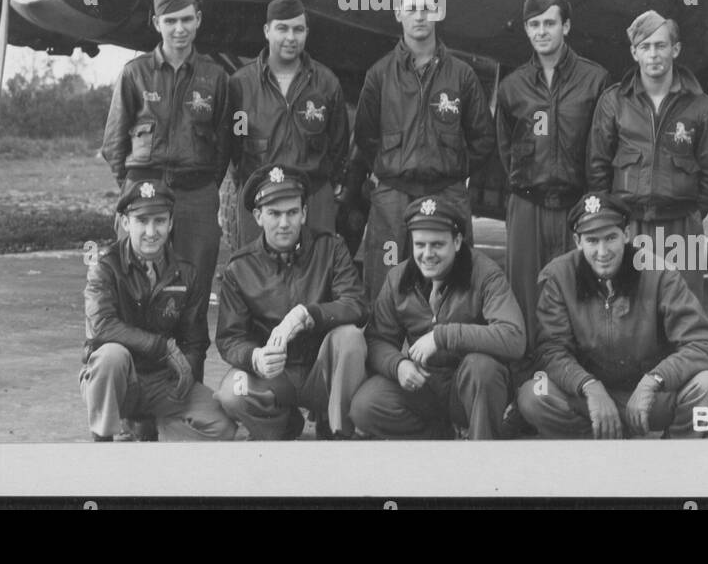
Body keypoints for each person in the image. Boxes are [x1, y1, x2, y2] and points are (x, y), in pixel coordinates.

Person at [516, 192, 708, 439]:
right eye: (592, 240)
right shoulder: (559, 276)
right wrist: (588, 386)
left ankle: (674, 455)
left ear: (627, 235)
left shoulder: (658, 272)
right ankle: (594, 449)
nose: (602, 251)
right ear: (577, 241)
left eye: (611, 238)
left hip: (651, 399)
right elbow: (551, 350)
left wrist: (655, 380)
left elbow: (706, 343)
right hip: (591, 401)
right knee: (534, 395)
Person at [100, 0, 231, 376]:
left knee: (191, 296)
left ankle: (189, 388)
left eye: (187, 19)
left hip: (195, 196)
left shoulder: (215, 77)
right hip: (144, 191)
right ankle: (136, 405)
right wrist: (133, 193)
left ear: (198, 21)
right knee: (135, 292)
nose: (179, 29)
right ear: (156, 23)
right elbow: (113, 143)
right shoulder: (135, 73)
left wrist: (205, 188)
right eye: (170, 20)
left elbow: (223, 146)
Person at [344, 0, 495, 301]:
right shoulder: (380, 74)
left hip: (447, 195)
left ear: (439, 11)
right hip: (392, 200)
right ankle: (382, 350)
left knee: (454, 290)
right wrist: (391, 167)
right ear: (398, 12)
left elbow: (483, 137)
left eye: (427, 7)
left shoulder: (462, 76)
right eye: (412, 8)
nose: (420, 15)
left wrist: (452, 168)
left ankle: (446, 350)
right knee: (384, 289)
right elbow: (366, 136)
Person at [495, 0, 609, 372]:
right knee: (525, 299)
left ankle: (577, 380)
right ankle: (526, 385)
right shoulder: (512, 87)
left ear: (566, 26)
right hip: (528, 203)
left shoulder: (594, 80)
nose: (541, 31)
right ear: (526, 30)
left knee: (578, 295)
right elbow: (504, 147)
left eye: (549, 23)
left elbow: (602, 147)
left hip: (577, 206)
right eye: (534, 24)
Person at [350, 195, 525, 440]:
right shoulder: (398, 278)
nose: (427, 254)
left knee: (482, 369)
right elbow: (377, 339)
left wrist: (443, 336)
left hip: (470, 386)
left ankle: (482, 454)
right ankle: (439, 437)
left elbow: (513, 336)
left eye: (437, 245)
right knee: (365, 405)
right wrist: (398, 365)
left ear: (457, 241)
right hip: (425, 385)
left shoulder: (485, 273)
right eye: (420, 245)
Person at [215, 164, 368, 440]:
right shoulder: (240, 267)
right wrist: (255, 357)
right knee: (231, 392)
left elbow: (356, 304)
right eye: (274, 214)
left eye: (292, 213)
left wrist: (307, 314)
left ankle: (336, 428)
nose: (284, 223)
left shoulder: (331, 248)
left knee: (351, 337)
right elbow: (229, 338)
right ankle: (282, 426)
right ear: (259, 216)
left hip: (320, 369)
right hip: (274, 374)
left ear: (304, 213)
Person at [80, 179, 236, 442]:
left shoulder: (186, 273)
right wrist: (163, 347)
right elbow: (102, 326)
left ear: (171, 223)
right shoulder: (105, 266)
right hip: (121, 380)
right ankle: (103, 441)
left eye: (159, 221)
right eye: (142, 221)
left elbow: (195, 340)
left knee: (222, 427)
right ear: (126, 223)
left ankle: (159, 430)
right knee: (110, 356)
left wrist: (187, 371)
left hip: (161, 381)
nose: (151, 231)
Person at [584, 9, 708, 297]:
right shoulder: (614, 102)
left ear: (675, 49)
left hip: (681, 227)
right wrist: (614, 222)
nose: (653, 54)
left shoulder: (698, 105)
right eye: (645, 47)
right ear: (634, 53)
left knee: (684, 311)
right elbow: (597, 168)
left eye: (660, 45)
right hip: (631, 227)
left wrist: (693, 217)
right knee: (632, 311)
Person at [227, 0, 349, 249]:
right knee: (255, 278)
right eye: (282, 28)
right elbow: (234, 146)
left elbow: (339, 144)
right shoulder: (241, 85)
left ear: (306, 33)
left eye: (298, 29)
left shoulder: (326, 83)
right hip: (260, 198)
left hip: (313, 197)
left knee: (316, 276)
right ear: (267, 31)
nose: (291, 38)